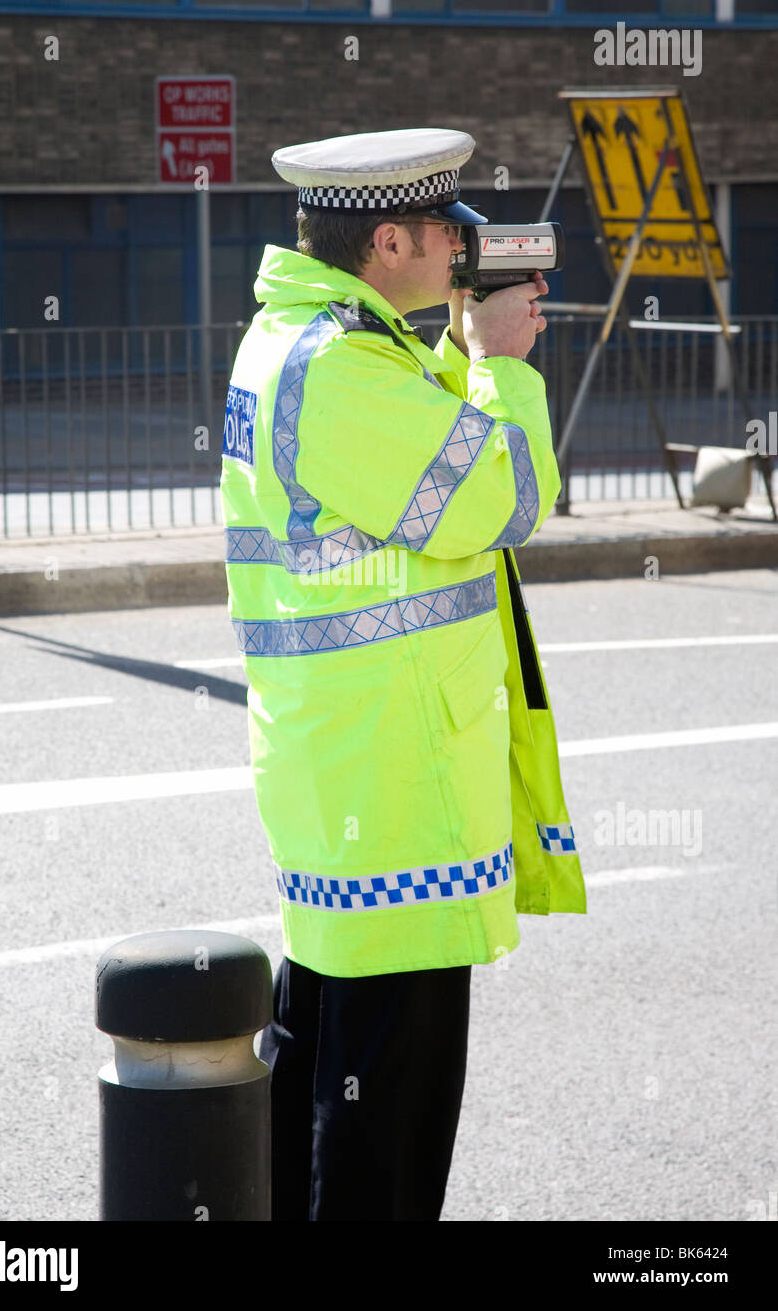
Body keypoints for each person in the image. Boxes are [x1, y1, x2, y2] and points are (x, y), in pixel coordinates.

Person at [220, 128, 587, 1221]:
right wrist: (503, 367)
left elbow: (409, 462)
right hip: (395, 797)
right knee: (385, 1129)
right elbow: (500, 498)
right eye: (443, 229)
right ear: (387, 240)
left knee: (322, 1093)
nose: (458, 247)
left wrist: (460, 349)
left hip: (345, 784)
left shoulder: (307, 339)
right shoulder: (337, 369)